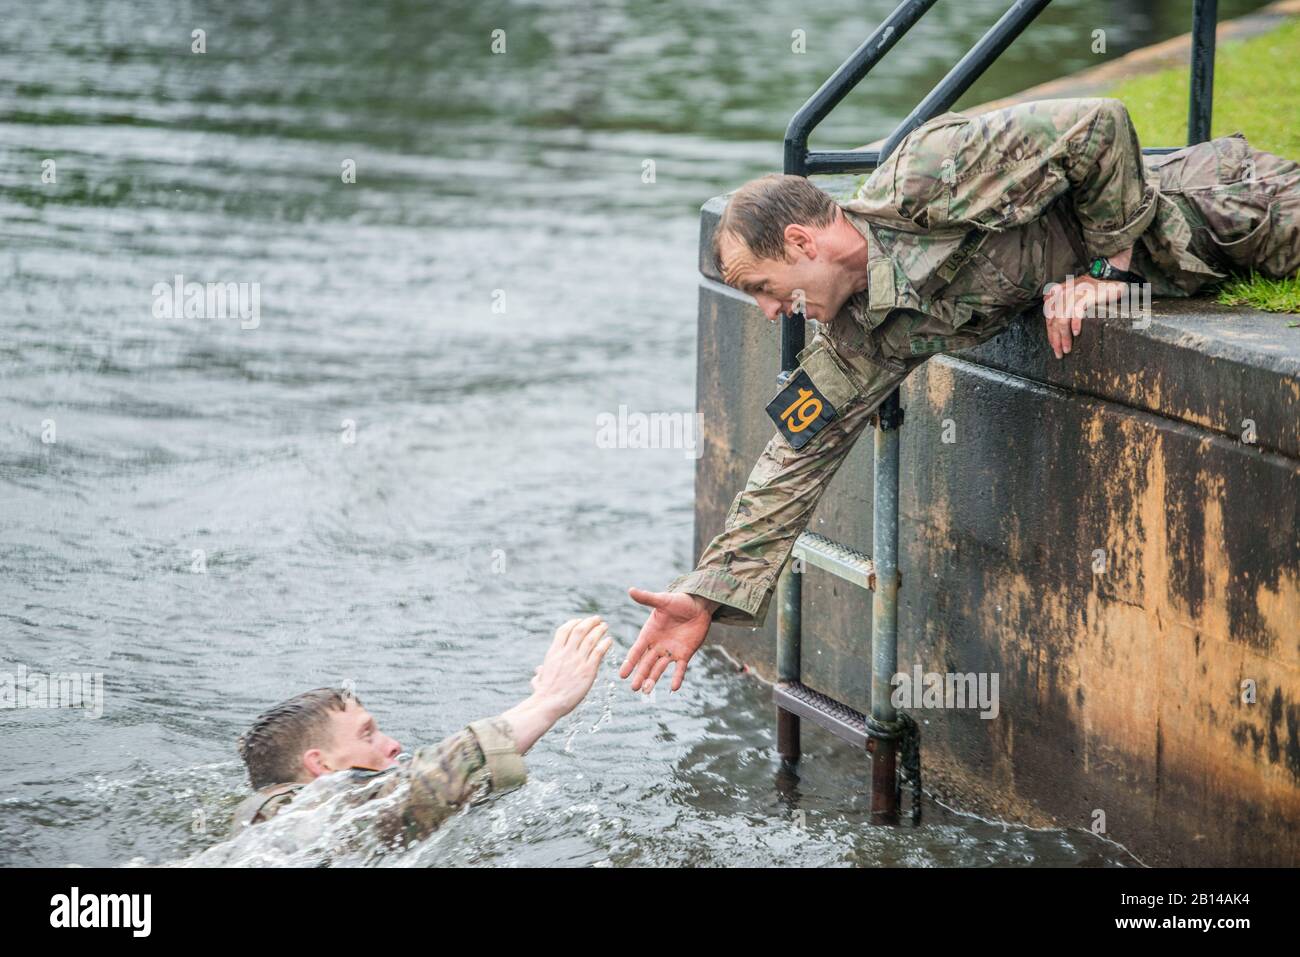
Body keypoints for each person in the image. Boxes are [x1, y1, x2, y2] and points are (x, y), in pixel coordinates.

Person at [618, 97, 1300, 694]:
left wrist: (1103, 271)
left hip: (1232, 209)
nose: (770, 313)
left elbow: (1099, 126)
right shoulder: (860, 336)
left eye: (763, 288)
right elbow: (792, 456)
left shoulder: (926, 176)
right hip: (1192, 264)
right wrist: (704, 593)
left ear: (801, 241)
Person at [228, 615, 611, 847]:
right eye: (367, 735)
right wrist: (547, 702)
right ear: (320, 764)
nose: (393, 745)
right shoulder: (292, 821)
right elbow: (415, 792)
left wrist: (536, 708)